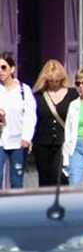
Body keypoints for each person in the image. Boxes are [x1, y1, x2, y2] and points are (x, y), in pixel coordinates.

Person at [31, 59, 77, 188]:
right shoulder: (38, 96)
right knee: (45, 179)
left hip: (63, 142)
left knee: (60, 177)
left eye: (57, 80)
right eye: (51, 81)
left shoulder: (72, 94)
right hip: (42, 142)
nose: (54, 84)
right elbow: (32, 119)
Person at [0, 52, 35, 190]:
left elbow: (30, 115)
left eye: (3, 67)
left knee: (16, 181)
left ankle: (15, 208)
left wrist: (27, 137)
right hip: (1, 140)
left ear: (12, 69)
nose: (0, 71)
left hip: (18, 141)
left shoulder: (23, 90)